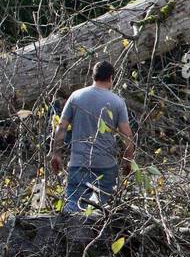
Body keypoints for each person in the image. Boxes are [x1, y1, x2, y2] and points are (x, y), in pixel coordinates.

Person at [49, 61, 135, 214]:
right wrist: (128, 160)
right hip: (105, 165)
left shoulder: (76, 96)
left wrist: (56, 154)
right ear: (111, 78)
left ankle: (69, 227)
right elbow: (126, 135)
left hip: (79, 163)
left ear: (93, 76)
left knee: (73, 207)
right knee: (102, 211)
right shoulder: (117, 102)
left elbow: (61, 128)